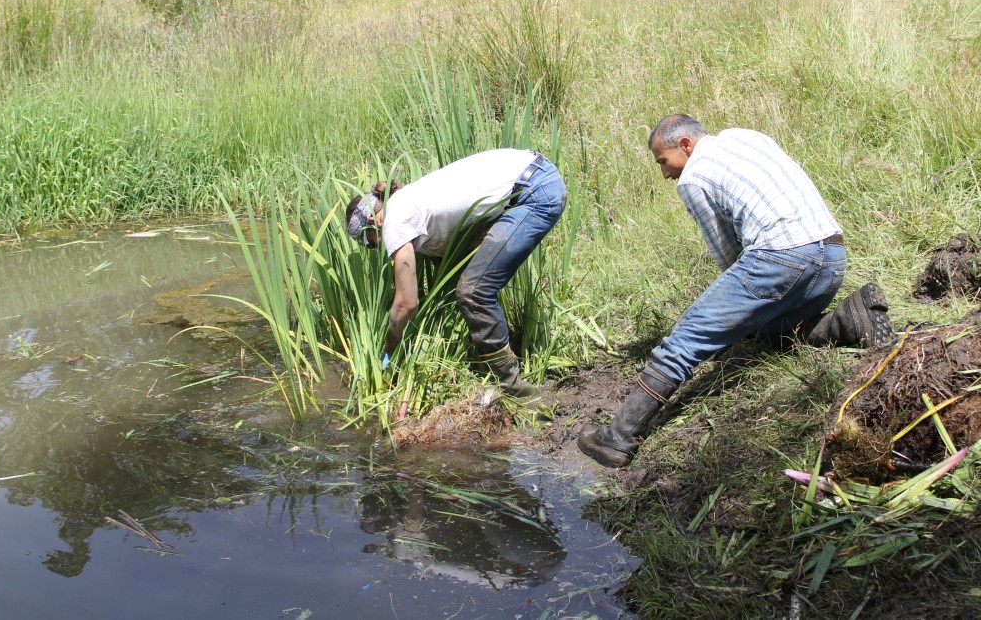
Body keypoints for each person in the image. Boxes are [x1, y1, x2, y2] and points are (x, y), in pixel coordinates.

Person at [578, 114, 896, 469]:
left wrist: (725, 317)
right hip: (832, 255)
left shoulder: (694, 176)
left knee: (683, 343)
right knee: (772, 334)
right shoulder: (746, 137)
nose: (665, 174)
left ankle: (617, 438)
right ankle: (851, 320)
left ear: (685, 145)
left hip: (782, 257)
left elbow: (729, 255)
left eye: (663, 162)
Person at [346, 148, 566, 396]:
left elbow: (406, 304)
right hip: (532, 174)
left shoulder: (394, 220)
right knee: (459, 277)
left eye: (371, 244)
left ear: (372, 223)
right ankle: (488, 352)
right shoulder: (406, 202)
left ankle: (513, 387)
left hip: (535, 192)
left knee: (473, 291)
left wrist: (387, 350)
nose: (378, 249)